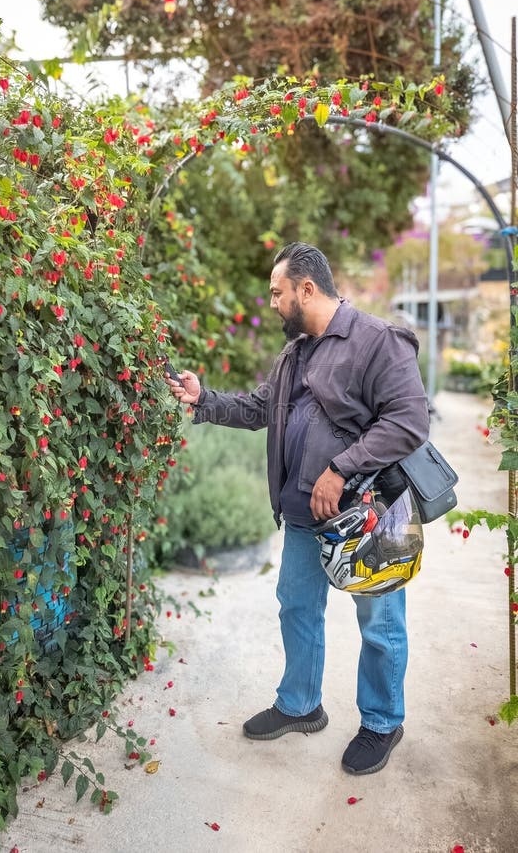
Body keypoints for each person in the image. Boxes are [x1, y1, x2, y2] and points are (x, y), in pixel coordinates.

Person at [164, 242, 429, 775]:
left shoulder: (378, 341)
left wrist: (340, 469)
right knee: (297, 608)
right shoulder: (295, 353)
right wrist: (204, 398)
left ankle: (382, 722)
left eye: (277, 293)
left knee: (379, 623)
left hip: (367, 519)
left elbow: (407, 422)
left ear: (307, 289)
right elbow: (263, 408)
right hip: (305, 516)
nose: (273, 304)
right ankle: (302, 704)